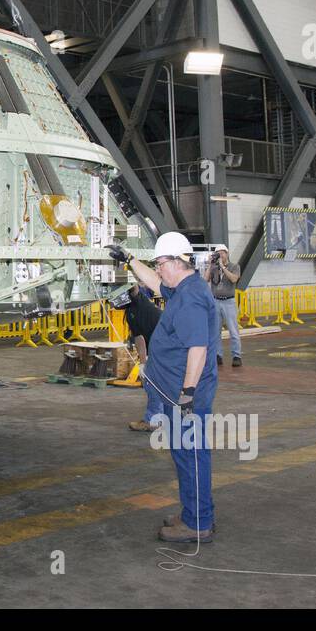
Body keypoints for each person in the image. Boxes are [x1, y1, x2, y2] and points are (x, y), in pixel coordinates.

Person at [110, 232, 219, 543]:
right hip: (174, 391)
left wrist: (187, 394)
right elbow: (158, 285)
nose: (157, 269)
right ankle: (195, 513)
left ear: (177, 261)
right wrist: (129, 260)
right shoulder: (183, 287)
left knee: (190, 454)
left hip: (183, 396)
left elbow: (197, 349)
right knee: (187, 453)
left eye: (160, 263)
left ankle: (197, 523)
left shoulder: (191, 298)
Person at [122, 283, 164, 432]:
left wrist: (144, 364)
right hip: (163, 345)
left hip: (164, 345)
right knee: (161, 383)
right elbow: (139, 338)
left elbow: (139, 339)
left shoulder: (138, 302)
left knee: (152, 383)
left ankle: (153, 420)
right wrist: (143, 363)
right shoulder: (131, 309)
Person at [205, 244, 242, 367]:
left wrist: (222, 267)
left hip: (229, 302)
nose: (220, 255)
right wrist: (211, 265)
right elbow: (205, 279)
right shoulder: (214, 268)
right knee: (215, 331)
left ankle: (236, 355)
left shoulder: (234, 266)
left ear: (227, 253)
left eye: (222, 253)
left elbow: (234, 279)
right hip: (216, 301)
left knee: (233, 330)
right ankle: (218, 355)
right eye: (218, 253)